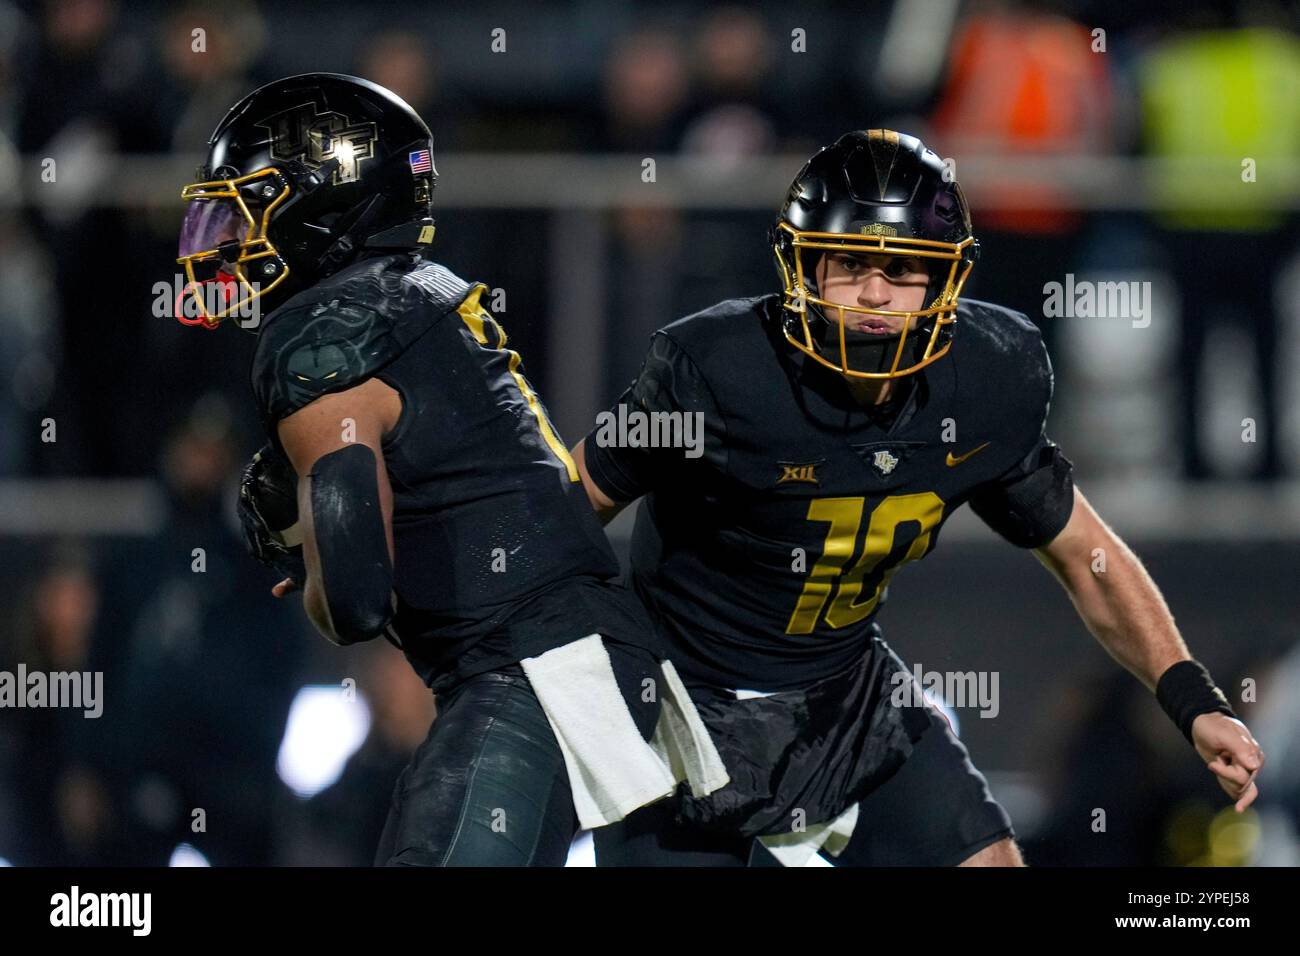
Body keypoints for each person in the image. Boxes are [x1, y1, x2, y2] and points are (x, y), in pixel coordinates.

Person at [574, 129, 1265, 866]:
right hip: (683, 705)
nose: (875, 294)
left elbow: (1085, 553)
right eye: (851, 266)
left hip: (845, 695)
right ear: (802, 268)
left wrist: (1192, 699)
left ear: (945, 281)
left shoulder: (988, 377)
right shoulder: (717, 368)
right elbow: (565, 507)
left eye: (903, 269)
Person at [175, 73, 725, 867]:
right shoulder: (418, 293)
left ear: (323, 198)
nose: (224, 239)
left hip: (535, 676)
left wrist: (322, 551)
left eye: (247, 208)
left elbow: (357, 599)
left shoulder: (319, 332)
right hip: (597, 660)